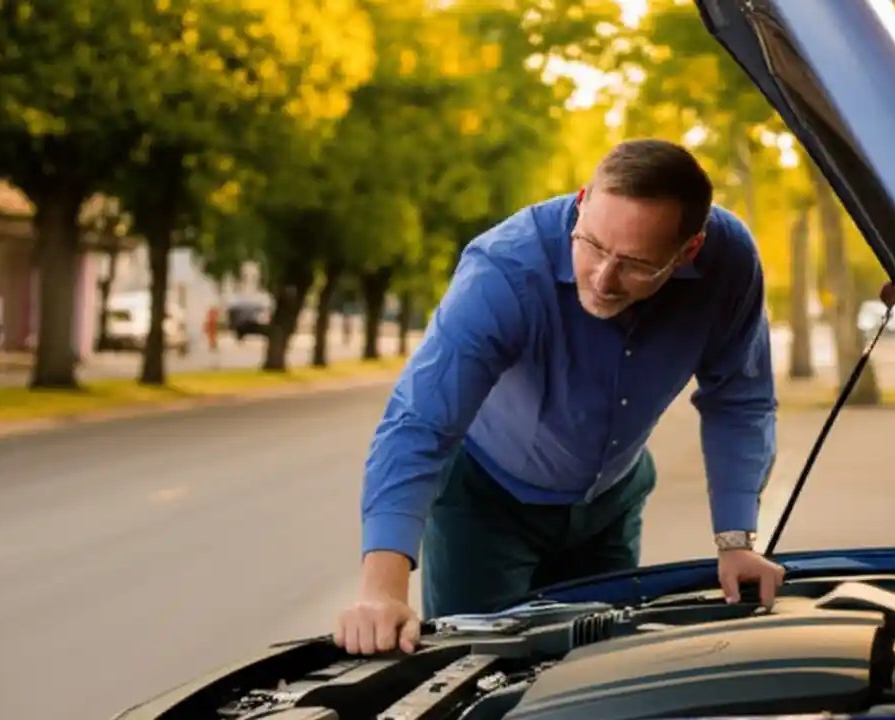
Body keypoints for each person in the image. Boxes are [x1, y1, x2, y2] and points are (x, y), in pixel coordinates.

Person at [335, 139, 783, 656]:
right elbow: (420, 422)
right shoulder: (504, 270)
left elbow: (740, 399)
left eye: (636, 263)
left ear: (689, 251)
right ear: (582, 199)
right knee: (482, 677)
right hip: (485, 507)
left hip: (609, 506)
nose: (603, 278)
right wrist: (381, 592)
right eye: (592, 244)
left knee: (598, 672)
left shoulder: (729, 264)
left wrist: (735, 542)